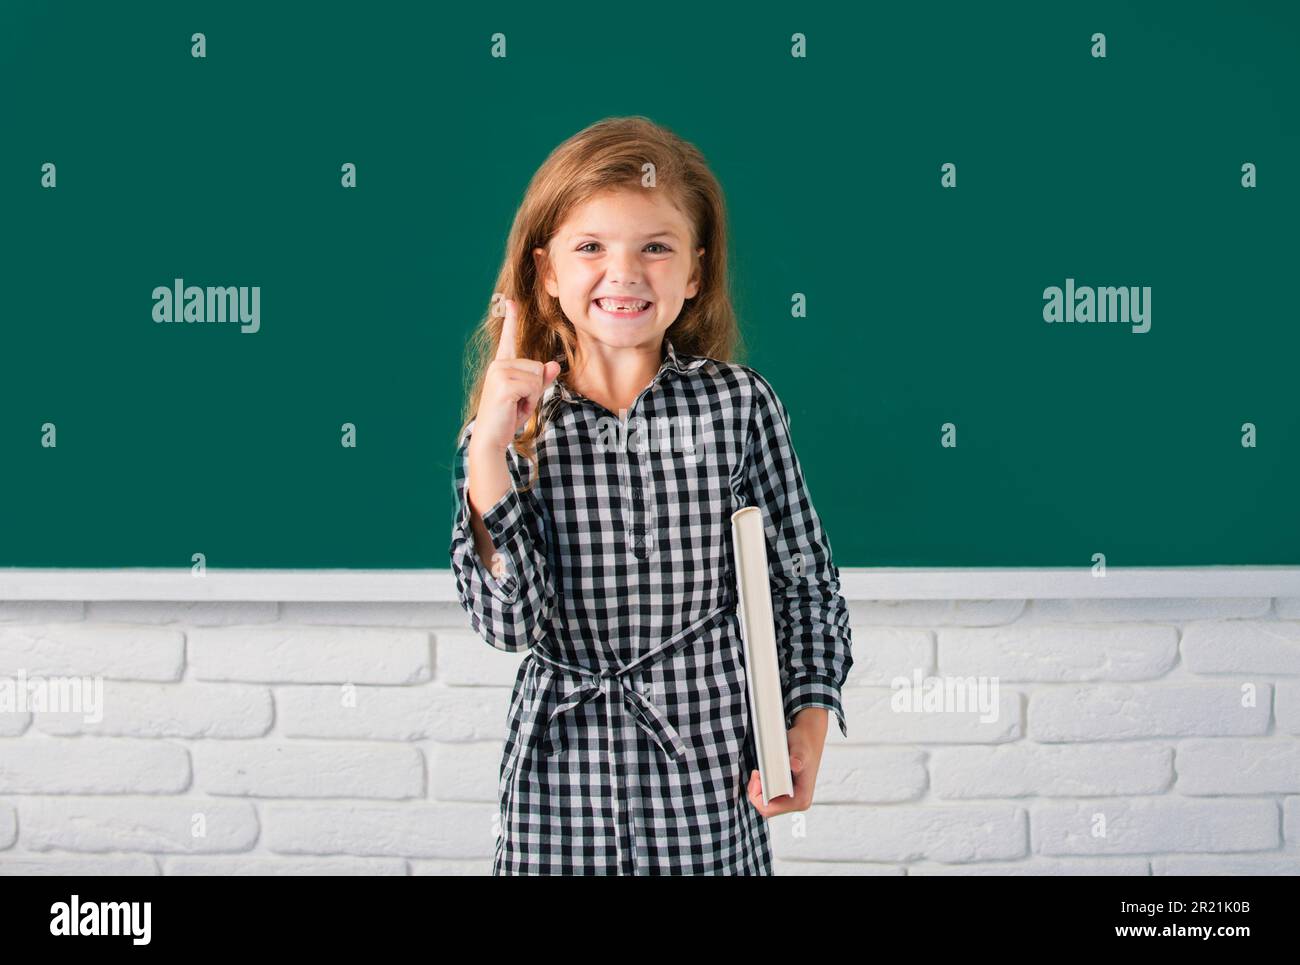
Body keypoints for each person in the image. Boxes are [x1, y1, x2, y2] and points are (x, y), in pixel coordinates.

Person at [449, 115, 853, 875]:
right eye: (590, 247)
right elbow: (508, 623)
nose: (624, 273)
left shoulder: (739, 407)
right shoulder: (505, 436)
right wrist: (493, 453)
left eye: (655, 248)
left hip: (705, 786)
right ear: (546, 272)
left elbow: (805, 584)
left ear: (695, 272)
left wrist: (807, 718)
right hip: (557, 797)